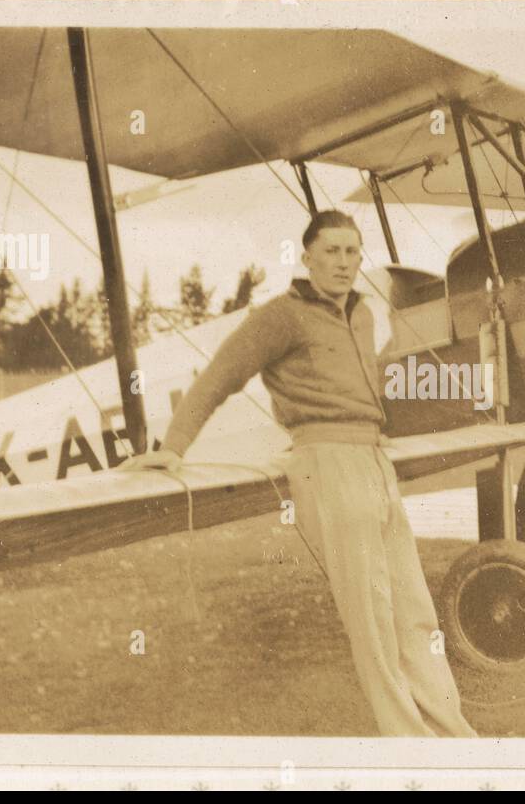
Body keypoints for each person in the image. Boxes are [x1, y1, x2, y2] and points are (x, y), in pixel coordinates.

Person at [122, 210, 477, 738]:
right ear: (307, 258)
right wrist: (172, 448)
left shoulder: (363, 314)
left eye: (352, 252)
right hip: (325, 462)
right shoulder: (281, 316)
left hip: (374, 459)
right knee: (373, 617)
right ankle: (410, 744)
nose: (343, 262)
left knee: (414, 610)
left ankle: (452, 735)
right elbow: (220, 375)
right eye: (331, 251)